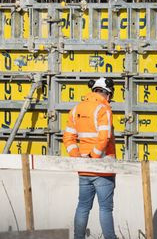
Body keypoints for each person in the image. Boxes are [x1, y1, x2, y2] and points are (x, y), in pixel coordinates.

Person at [64, 77, 117, 239]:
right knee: (105, 209)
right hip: (103, 166)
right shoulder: (103, 109)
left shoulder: (76, 109)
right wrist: (93, 158)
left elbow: (68, 138)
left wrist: (79, 158)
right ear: (107, 94)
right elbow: (104, 137)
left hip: (84, 168)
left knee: (83, 206)